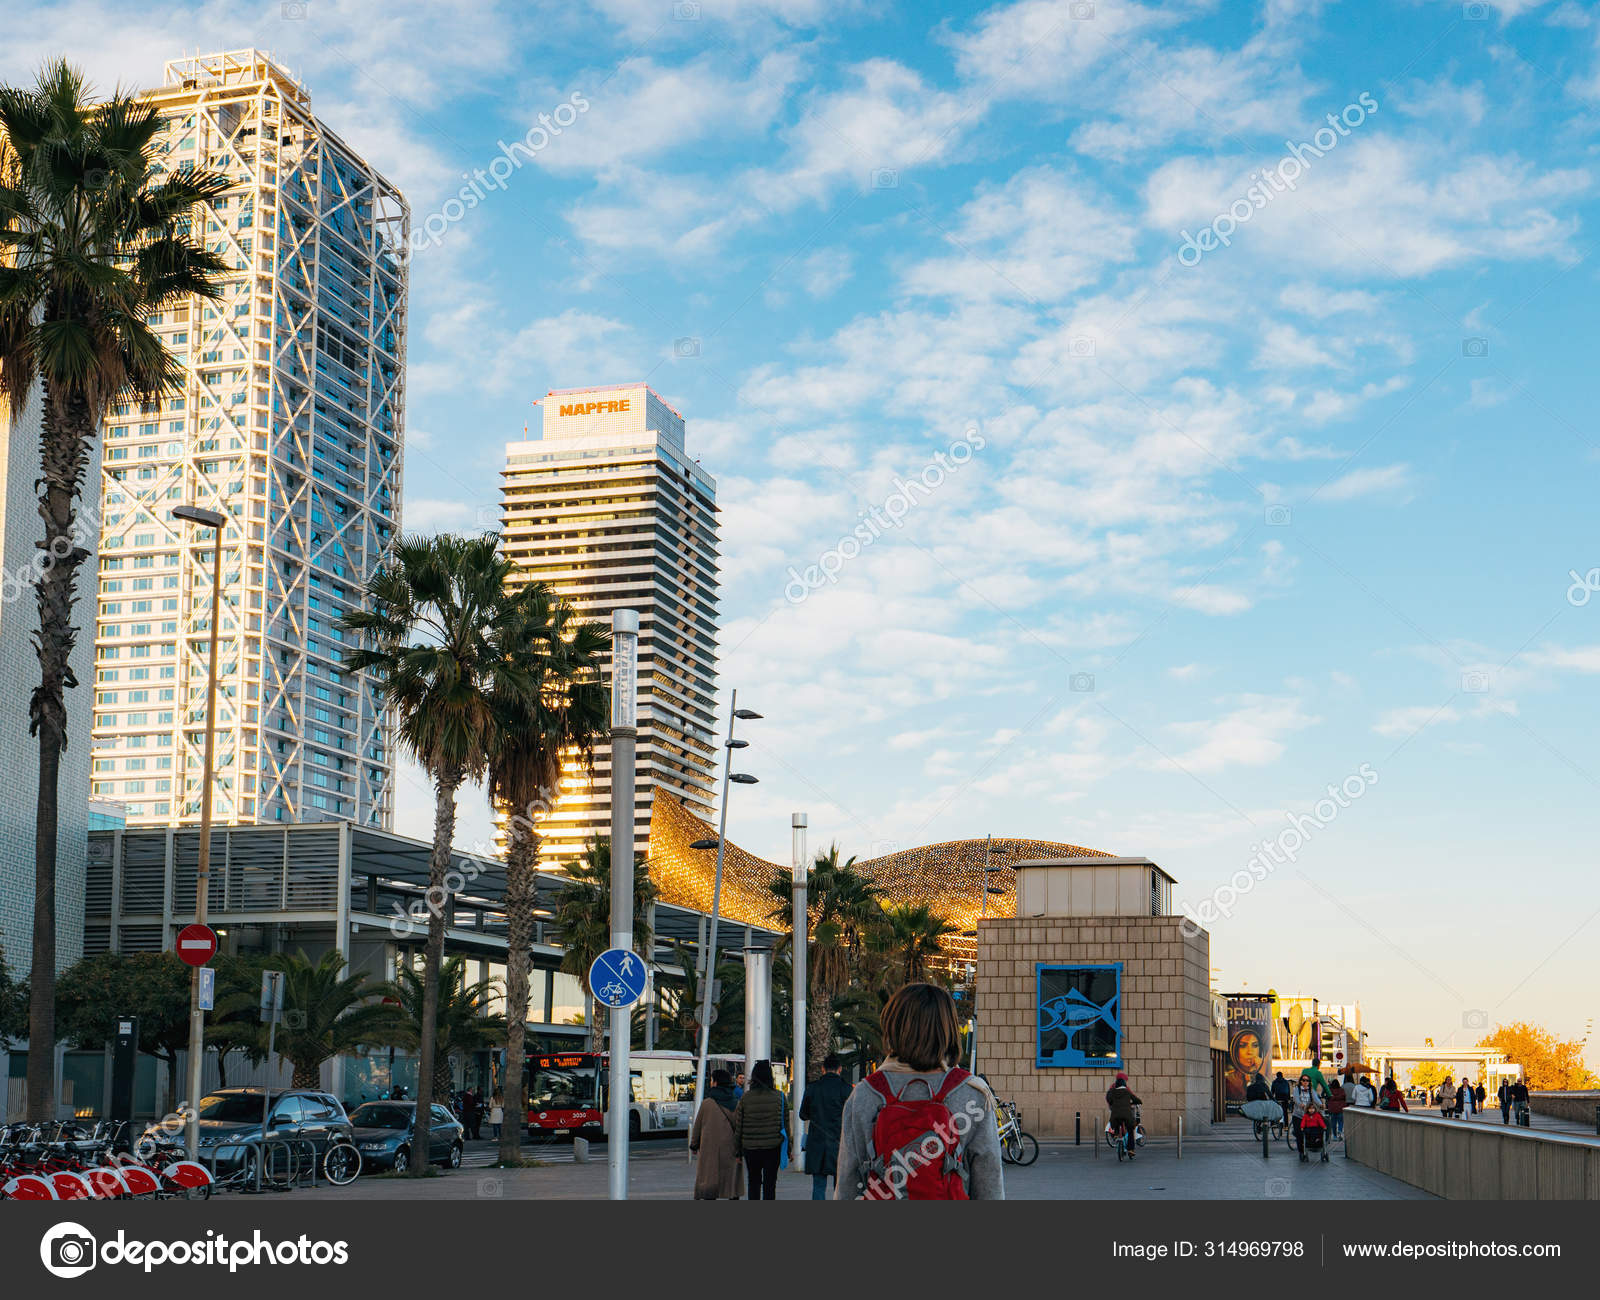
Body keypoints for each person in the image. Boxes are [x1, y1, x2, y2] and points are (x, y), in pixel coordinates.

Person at [835, 982, 1004, 1199]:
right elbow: (989, 1183)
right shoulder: (972, 1093)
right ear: (948, 1030)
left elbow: (848, 1182)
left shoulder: (865, 1093)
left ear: (893, 1027)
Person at [733, 1060, 787, 1200]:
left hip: (750, 1148)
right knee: (770, 1184)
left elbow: (739, 1126)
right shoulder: (780, 1097)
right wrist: (789, 1148)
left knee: (753, 1182)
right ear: (770, 1077)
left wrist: (737, 1150)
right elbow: (785, 1125)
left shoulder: (745, 1098)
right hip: (772, 1146)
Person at [800, 1053, 851, 1201]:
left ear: (823, 1069)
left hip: (817, 1143)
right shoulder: (846, 1089)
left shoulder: (812, 1088)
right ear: (839, 1069)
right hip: (839, 1143)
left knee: (818, 1185)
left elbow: (803, 1114)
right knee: (840, 1186)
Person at [691, 1069, 744, 1200]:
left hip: (710, 1149)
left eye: (712, 1080)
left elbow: (697, 1127)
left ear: (715, 1083)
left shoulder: (707, 1103)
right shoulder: (737, 1103)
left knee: (710, 1178)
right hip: (731, 1148)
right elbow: (740, 1128)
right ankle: (732, 1195)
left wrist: (694, 1145)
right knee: (731, 1180)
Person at [1106, 1073, 1142, 1160]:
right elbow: (1137, 1100)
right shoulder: (1127, 1091)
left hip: (1115, 1115)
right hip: (1127, 1115)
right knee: (1130, 1130)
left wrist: (1113, 1103)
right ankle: (1130, 1149)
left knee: (1115, 1122)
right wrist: (1132, 1103)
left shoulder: (1112, 1091)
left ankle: (1116, 1134)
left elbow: (1109, 1099)